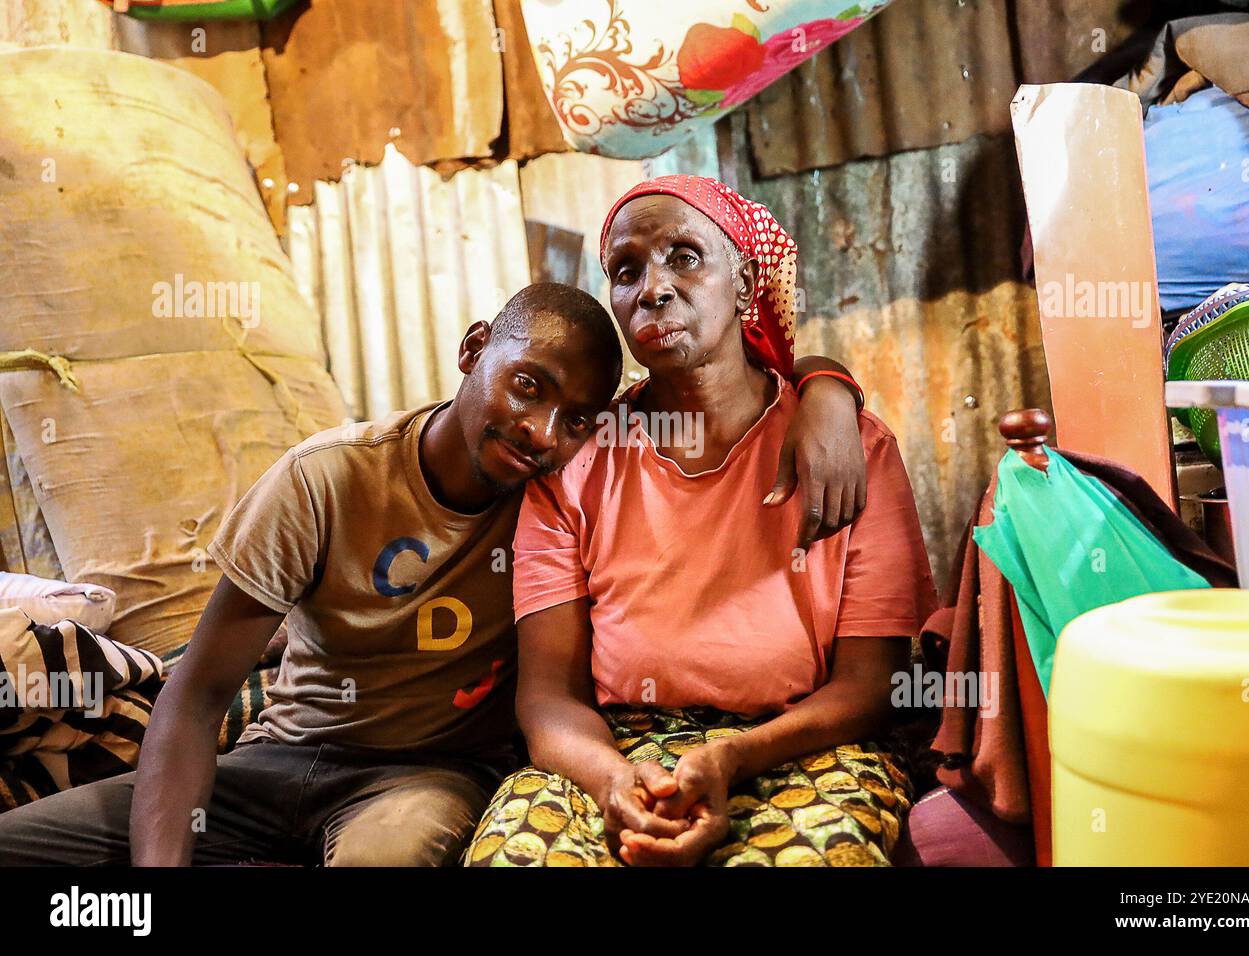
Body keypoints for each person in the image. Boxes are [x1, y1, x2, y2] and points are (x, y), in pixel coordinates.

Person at [0, 271, 870, 867]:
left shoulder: (567, 493)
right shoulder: (327, 478)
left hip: (424, 776)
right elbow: (194, 695)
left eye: (575, 419)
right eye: (526, 386)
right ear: (473, 349)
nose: (540, 433)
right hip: (281, 758)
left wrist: (830, 383)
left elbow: (720, 390)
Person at [464, 177, 938, 867]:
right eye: (626, 271)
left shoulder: (850, 449)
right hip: (615, 751)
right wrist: (614, 781)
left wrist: (732, 758)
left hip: (801, 745)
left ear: (745, 285)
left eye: (684, 257)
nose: (653, 288)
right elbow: (547, 699)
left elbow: (872, 687)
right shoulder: (576, 460)